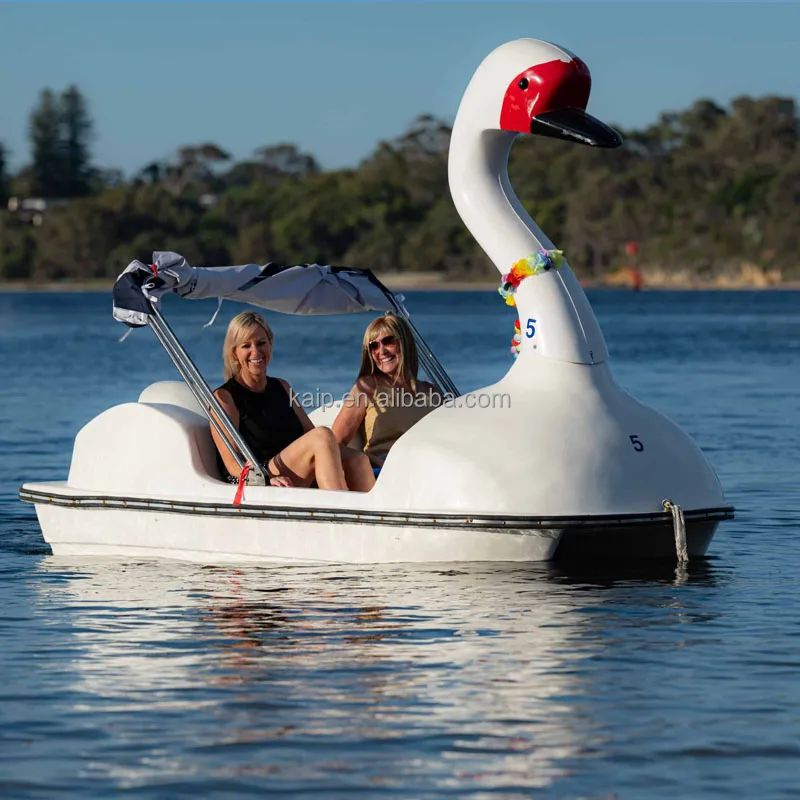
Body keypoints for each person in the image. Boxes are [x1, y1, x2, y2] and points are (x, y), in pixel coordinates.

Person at [211, 311, 374, 492]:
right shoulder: (224, 397)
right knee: (322, 435)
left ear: (271, 344)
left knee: (358, 459)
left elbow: (311, 435)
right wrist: (265, 479)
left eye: (261, 343)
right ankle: (338, 509)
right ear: (234, 353)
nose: (255, 351)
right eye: (246, 346)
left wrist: (368, 457)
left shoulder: (282, 386)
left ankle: (369, 515)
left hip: (291, 472)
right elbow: (232, 463)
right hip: (260, 475)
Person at [332, 313, 441, 471]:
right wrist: (371, 459)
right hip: (384, 469)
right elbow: (333, 444)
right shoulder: (367, 387)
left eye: (388, 341)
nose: (381, 351)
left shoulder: (432, 392)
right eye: (373, 346)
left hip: (428, 466)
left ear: (404, 343)